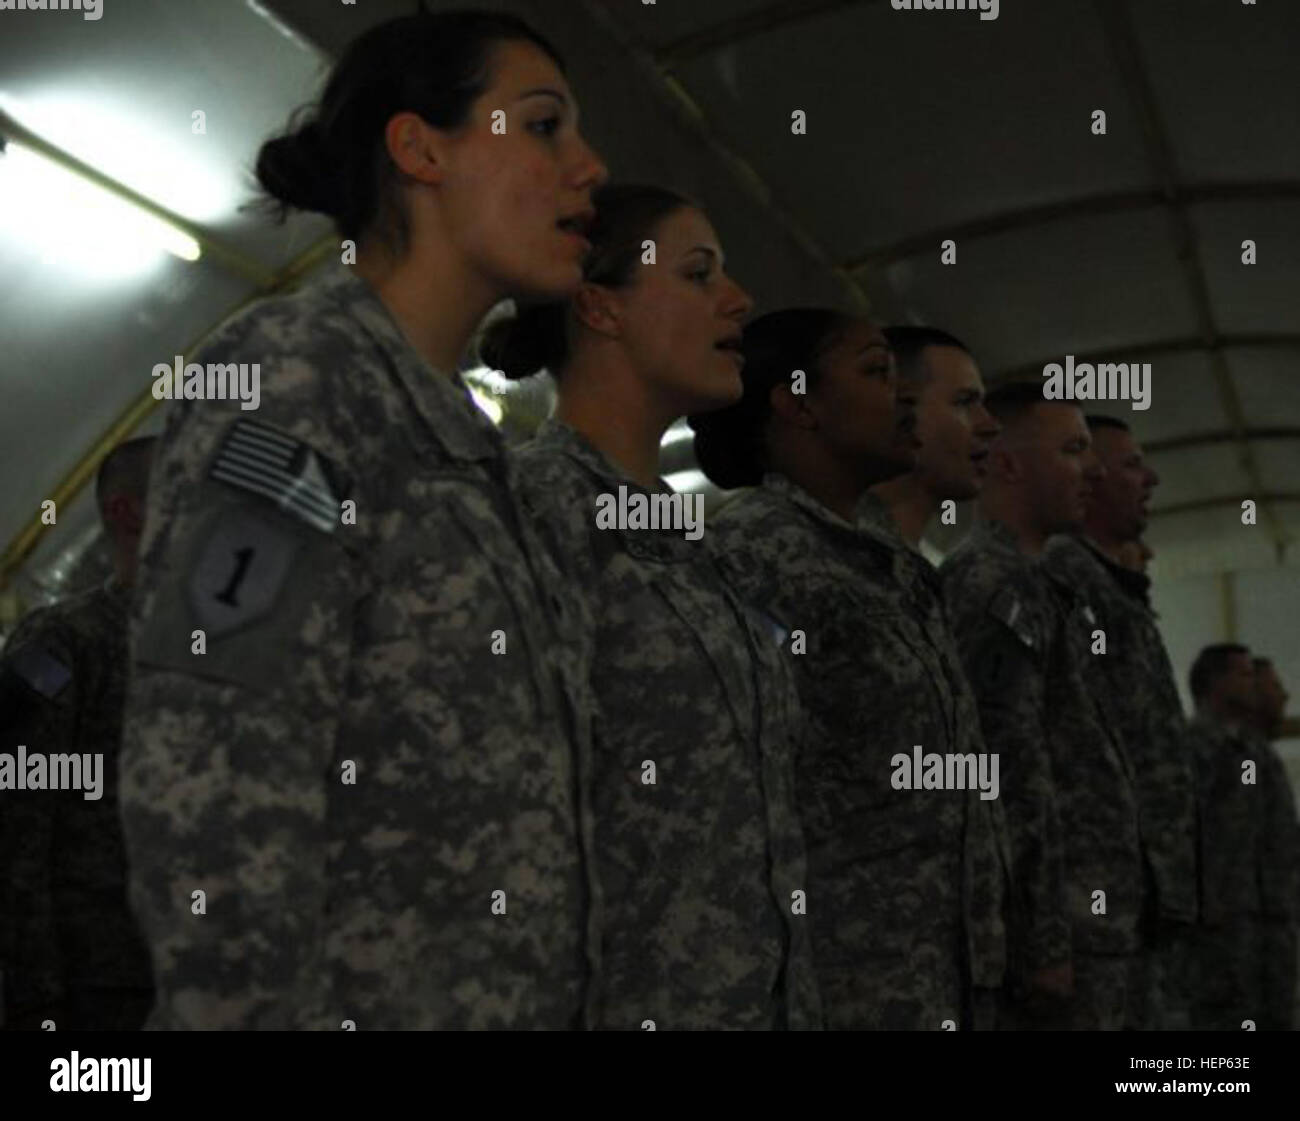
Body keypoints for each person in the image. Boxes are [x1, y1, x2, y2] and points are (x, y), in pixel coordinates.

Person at [119, 10, 609, 1030]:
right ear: (418, 147)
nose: (588, 168)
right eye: (545, 125)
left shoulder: (470, 444)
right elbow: (212, 765)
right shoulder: (299, 380)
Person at [481, 184, 820, 1030]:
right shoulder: (538, 511)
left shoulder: (681, 529)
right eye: (698, 274)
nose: (737, 300)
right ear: (601, 307)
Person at [691, 309, 1003, 1030]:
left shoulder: (888, 561)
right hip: (841, 986)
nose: (901, 398)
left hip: (938, 977)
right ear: (798, 400)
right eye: (875, 372)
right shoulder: (753, 554)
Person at [941, 385, 1144, 1029]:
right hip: (1063, 927)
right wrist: (1043, 938)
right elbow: (1006, 768)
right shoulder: (992, 581)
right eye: (1074, 449)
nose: (1094, 470)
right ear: (1008, 464)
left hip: (1089, 913)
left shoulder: (1039, 582)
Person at [1043, 416, 1198, 1029]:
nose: (1151, 478)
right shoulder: (1068, 575)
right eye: (1132, 464)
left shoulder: (1112, 587)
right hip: (1098, 897)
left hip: (1138, 892)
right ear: (1092, 479)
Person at [0, 438, 157, 1031]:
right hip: (98, 986)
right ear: (126, 513)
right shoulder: (62, 644)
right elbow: (17, 823)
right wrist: (35, 994)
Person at [1185, 644, 1269, 1029]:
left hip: (1252, 908)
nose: (1254, 684)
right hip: (1214, 917)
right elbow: (1186, 827)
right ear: (1216, 683)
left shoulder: (1246, 747)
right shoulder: (1196, 745)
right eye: (1244, 675)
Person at [1249, 656, 1298, 1029]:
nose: (1284, 696)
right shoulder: (1221, 753)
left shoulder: (1260, 754)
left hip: (1273, 919)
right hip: (1241, 927)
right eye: (1274, 686)